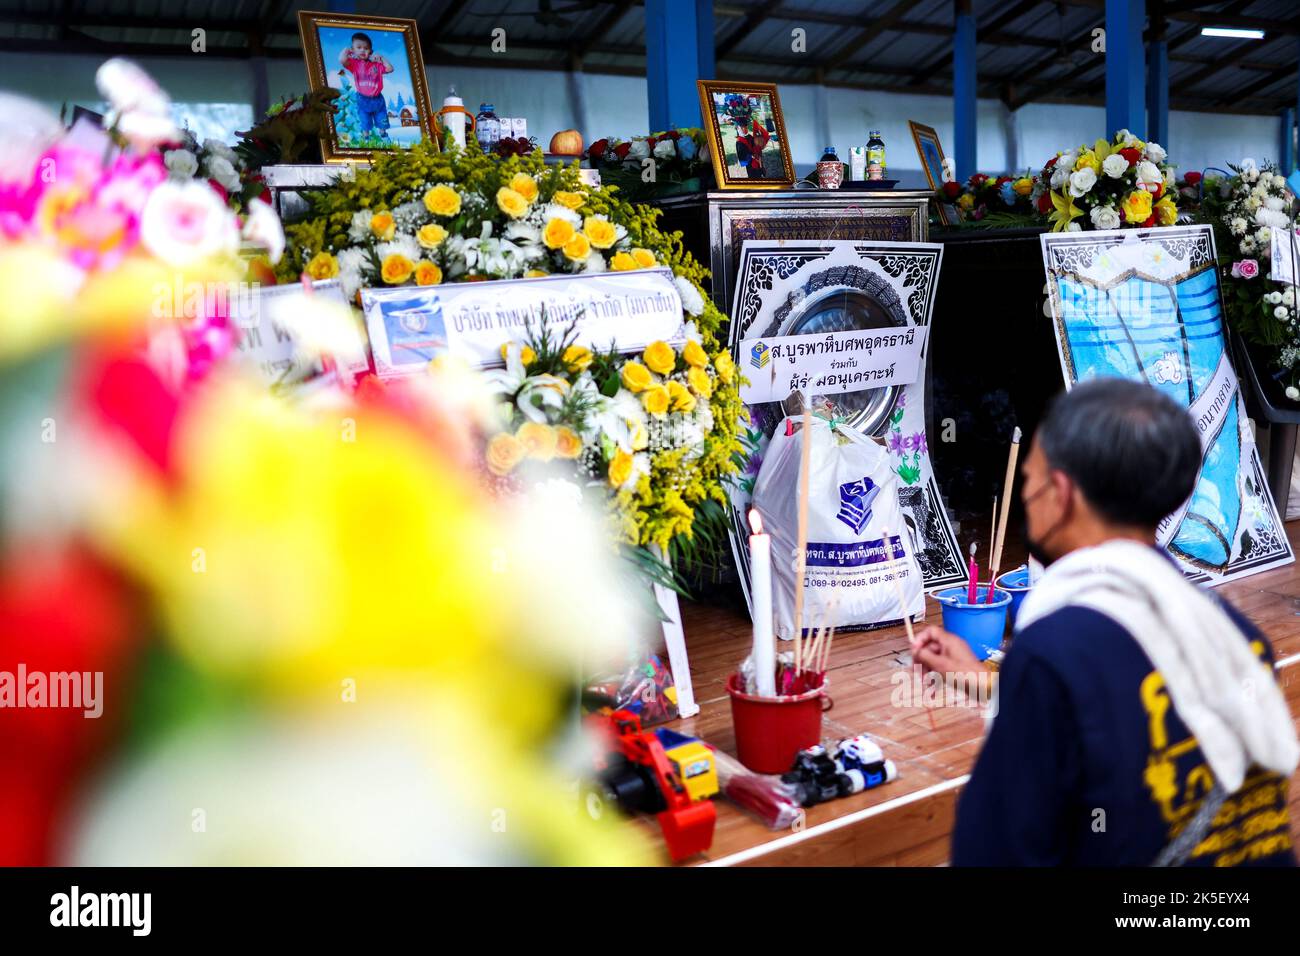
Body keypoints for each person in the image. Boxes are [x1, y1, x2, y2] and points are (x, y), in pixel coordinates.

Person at [914, 378, 1299, 866]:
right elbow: (1124, 709)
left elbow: (995, 853)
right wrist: (992, 683)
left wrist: (1030, 684)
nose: (1024, 499)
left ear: (1061, 493)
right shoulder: (1234, 636)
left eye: (1029, 478)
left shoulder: (1056, 653)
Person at [338, 33, 394, 138]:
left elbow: (390, 69)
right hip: (363, 99)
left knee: (381, 118)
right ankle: (366, 137)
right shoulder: (354, 64)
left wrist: (381, 58)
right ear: (353, 50)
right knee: (365, 121)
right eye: (359, 47)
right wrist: (347, 50)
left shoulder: (377, 65)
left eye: (366, 48)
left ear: (371, 51)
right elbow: (342, 60)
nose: (363, 50)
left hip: (377, 99)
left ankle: (383, 134)